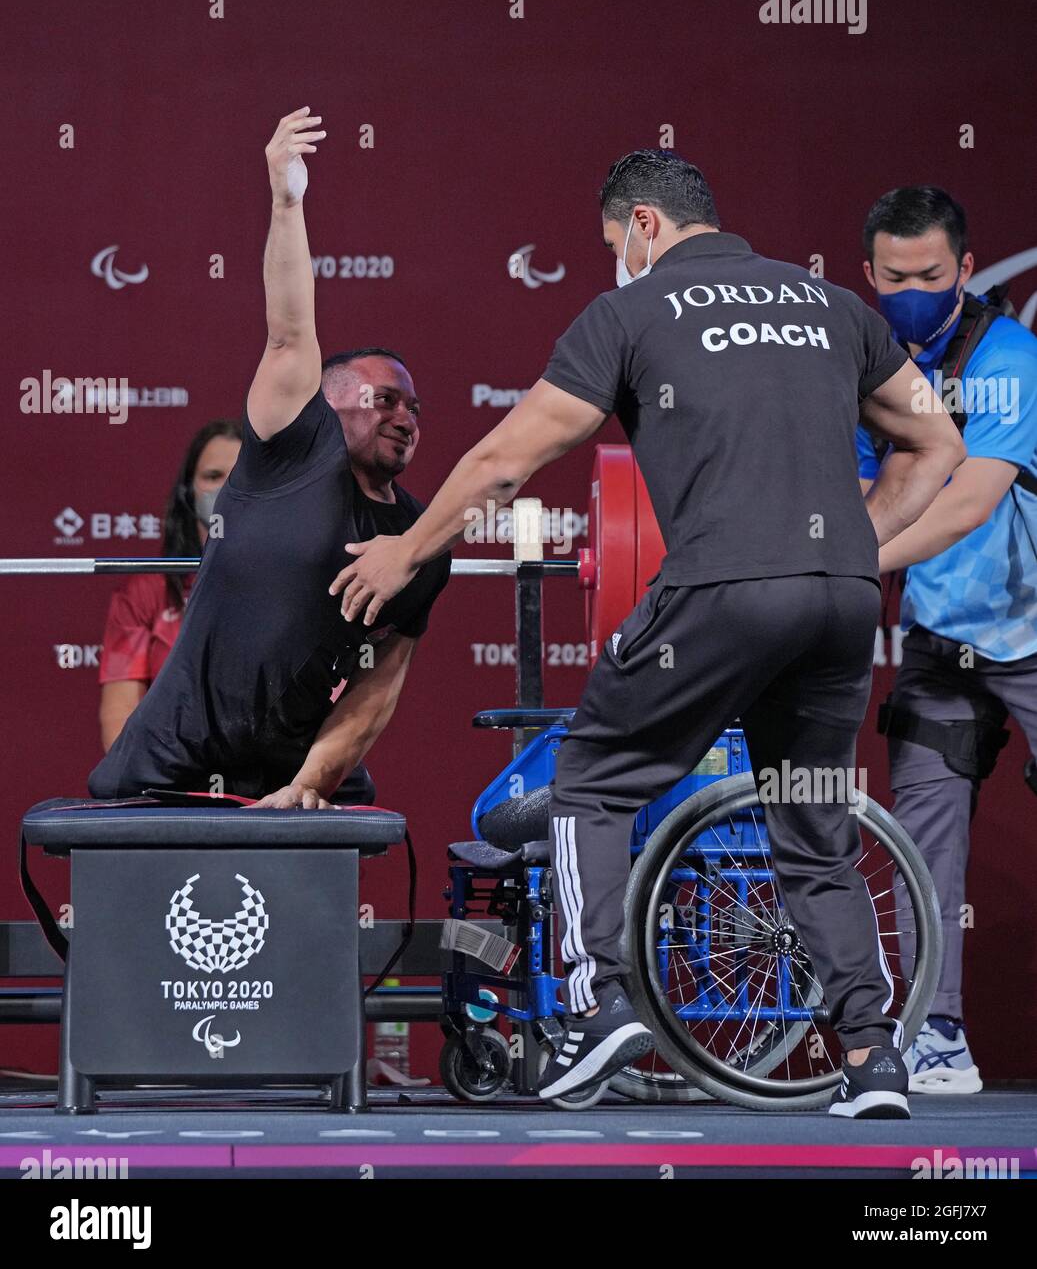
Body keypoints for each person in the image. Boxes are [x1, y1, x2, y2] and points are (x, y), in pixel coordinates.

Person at [329, 149, 965, 1116]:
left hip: (718, 591)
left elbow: (506, 456)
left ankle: (597, 1007)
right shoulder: (831, 305)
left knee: (589, 776)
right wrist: (847, 544)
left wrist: (405, 551)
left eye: (609, 244)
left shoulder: (629, 313)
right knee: (813, 827)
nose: (611, 261)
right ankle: (874, 1059)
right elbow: (939, 444)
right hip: (839, 600)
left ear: (642, 227)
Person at [88, 107, 450, 809]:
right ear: (330, 401)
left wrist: (310, 783)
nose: (404, 417)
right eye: (384, 401)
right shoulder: (293, 444)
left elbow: (379, 684)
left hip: (289, 764)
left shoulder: (419, 541)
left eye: (413, 408)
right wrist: (287, 201)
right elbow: (288, 332)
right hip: (171, 749)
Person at [857, 186, 1037, 1094]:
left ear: (965, 270)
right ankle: (933, 1036)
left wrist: (849, 561)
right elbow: (866, 497)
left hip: (1035, 633)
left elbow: (965, 502)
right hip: (937, 643)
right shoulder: (875, 367)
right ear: (868, 274)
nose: (912, 289)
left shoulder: (1009, 357)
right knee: (921, 841)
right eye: (895, 276)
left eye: (931, 274)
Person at [98, 419, 242, 750]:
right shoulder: (144, 593)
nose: (225, 489)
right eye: (212, 476)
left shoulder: (289, 585)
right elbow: (120, 715)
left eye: (238, 476)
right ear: (187, 491)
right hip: (169, 775)